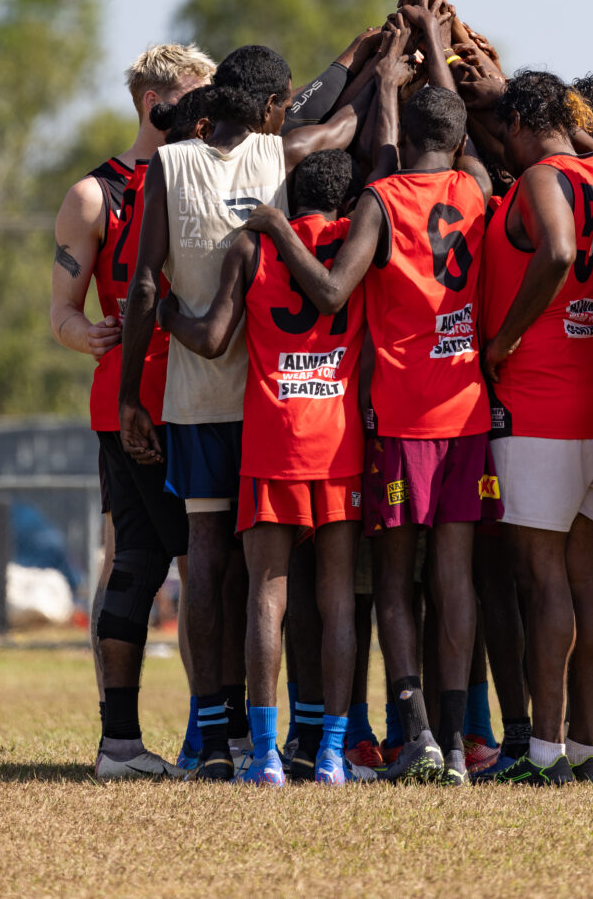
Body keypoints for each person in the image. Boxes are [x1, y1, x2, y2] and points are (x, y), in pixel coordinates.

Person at [119, 42, 375, 781]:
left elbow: (141, 287)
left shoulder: (169, 165)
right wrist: (368, 58)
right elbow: (343, 121)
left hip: (197, 395)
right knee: (286, 575)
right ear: (269, 108)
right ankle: (309, 738)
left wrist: (135, 391)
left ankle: (212, 732)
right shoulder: (281, 153)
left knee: (207, 557)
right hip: (282, 401)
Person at [248, 54, 498, 787]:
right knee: (454, 576)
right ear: (455, 140)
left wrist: (383, 80)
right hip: (469, 411)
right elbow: (444, 142)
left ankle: (413, 730)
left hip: (403, 413)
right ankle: (456, 745)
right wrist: (438, 45)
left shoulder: (381, 200)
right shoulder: (478, 191)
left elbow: (330, 291)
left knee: (390, 581)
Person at [158, 148, 367, 786]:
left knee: (264, 598)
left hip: (273, 440)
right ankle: (330, 752)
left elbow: (214, 337)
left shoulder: (250, 248)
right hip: (338, 445)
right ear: (345, 200)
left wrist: (166, 311)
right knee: (335, 598)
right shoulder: (360, 242)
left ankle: (267, 755)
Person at [50, 43, 214, 777]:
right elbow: (61, 312)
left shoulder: (206, 174)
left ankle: (161, 740)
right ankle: (151, 740)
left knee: (159, 561)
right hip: (136, 403)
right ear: (158, 102)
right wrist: (83, 331)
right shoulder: (95, 194)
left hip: (199, 393)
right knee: (170, 563)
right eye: (198, 97)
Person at [470, 71, 593, 786]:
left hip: (540, 402)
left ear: (525, 120)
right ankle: (586, 749)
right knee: (582, 575)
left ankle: (547, 751)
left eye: (506, 126)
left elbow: (556, 251)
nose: (502, 141)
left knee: (540, 577)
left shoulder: (539, 180)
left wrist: (504, 339)